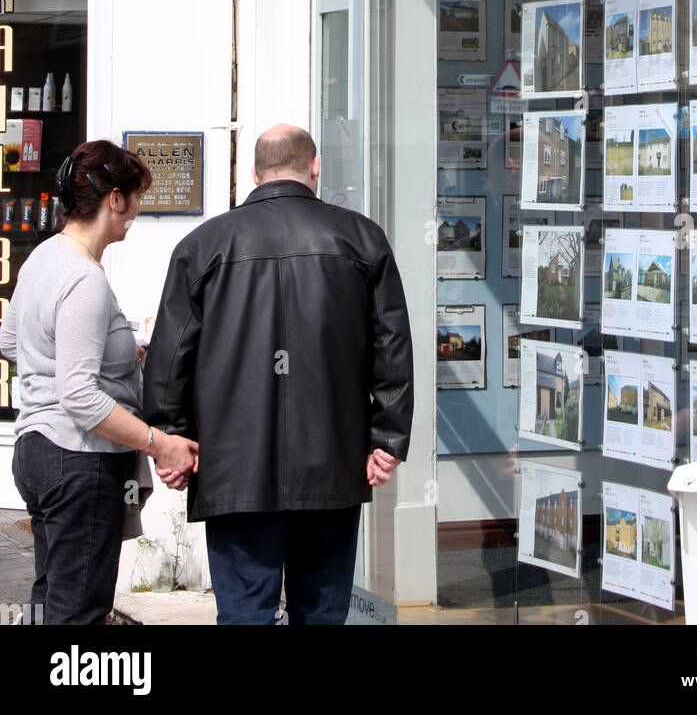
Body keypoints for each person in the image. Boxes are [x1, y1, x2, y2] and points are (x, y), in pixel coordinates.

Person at [143, 124, 413, 626]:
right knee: (323, 612)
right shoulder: (362, 239)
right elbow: (392, 347)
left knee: (244, 614)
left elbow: (169, 358)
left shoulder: (202, 246)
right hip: (332, 462)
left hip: (232, 468)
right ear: (314, 167)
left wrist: (170, 439)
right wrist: (389, 438)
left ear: (255, 173)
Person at [0, 140, 199, 624]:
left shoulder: (42, 259)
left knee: (52, 598)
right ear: (114, 199)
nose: (136, 211)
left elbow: (12, 342)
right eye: (134, 198)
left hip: (36, 452)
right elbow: (79, 396)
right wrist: (160, 445)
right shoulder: (84, 278)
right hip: (78, 459)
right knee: (80, 611)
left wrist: (110, 355)